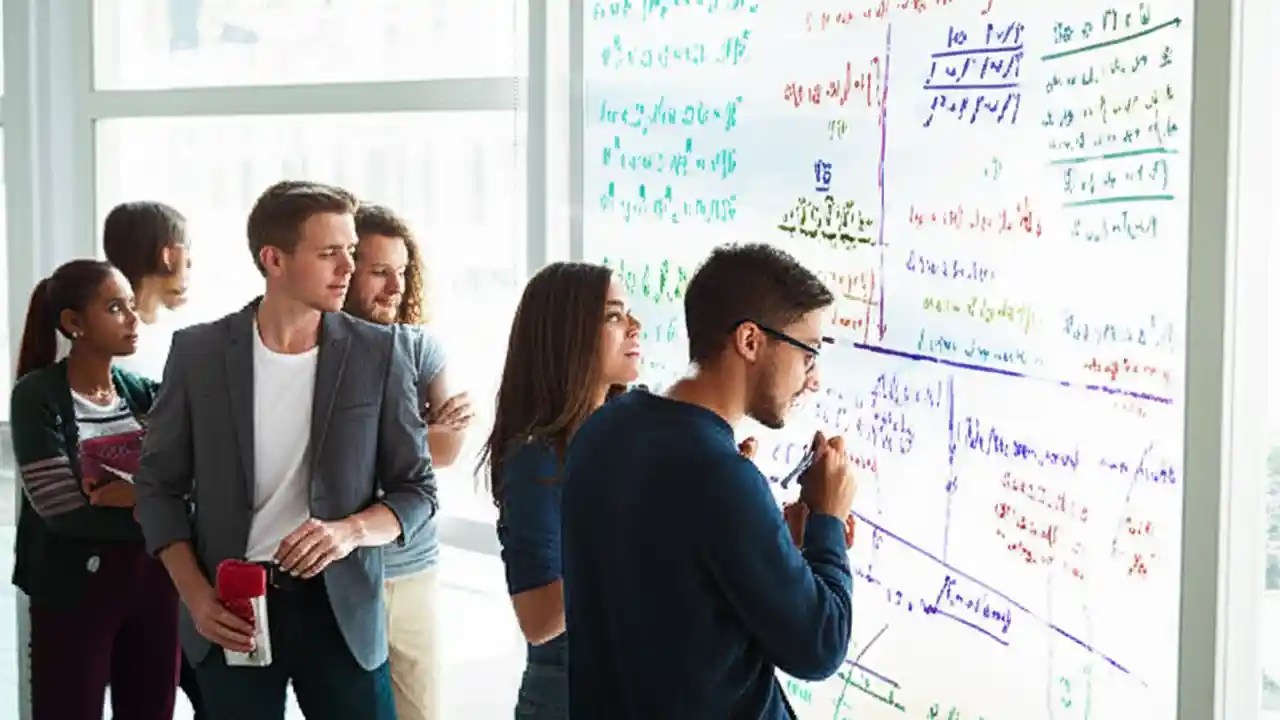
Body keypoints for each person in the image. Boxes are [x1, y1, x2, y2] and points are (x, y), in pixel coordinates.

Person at [133, 180, 437, 720]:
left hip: (341, 613)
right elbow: (157, 488)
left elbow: (417, 490)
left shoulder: (381, 352)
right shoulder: (198, 353)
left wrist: (350, 532)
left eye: (351, 251)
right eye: (329, 254)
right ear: (273, 259)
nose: (348, 268)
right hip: (231, 606)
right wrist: (196, 596)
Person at [561, 242, 858, 719]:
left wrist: (775, 544)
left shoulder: (603, 429)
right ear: (749, 340)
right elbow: (819, 645)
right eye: (808, 354)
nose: (814, 379)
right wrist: (827, 521)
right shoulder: (721, 478)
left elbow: (676, 588)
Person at [9, 259, 180, 719]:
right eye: (114, 307)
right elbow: (62, 510)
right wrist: (156, 508)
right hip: (72, 590)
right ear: (73, 323)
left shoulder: (144, 394)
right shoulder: (36, 395)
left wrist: (136, 496)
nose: (131, 318)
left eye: (130, 305)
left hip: (155, 586)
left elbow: (196, 482)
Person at [479, 262, 642, 718]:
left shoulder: (631, 431)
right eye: (613, 315)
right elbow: (538, 618)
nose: (635, 327)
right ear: (568, 335)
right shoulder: (537, 459)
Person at [343, 203, 472, 720]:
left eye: (402, 272)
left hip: (413, 567)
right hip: (343, 573)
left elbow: (447, 450)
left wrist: (375, 441)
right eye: (379, 272)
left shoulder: (420, 346)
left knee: (420, 711)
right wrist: (417, 430)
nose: (395, 287)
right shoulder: (316, 350)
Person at [101, 200, 192, 382]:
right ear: (168, 257)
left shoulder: (97, 329)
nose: (190, 264)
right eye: (187, 250)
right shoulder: (124, 345)